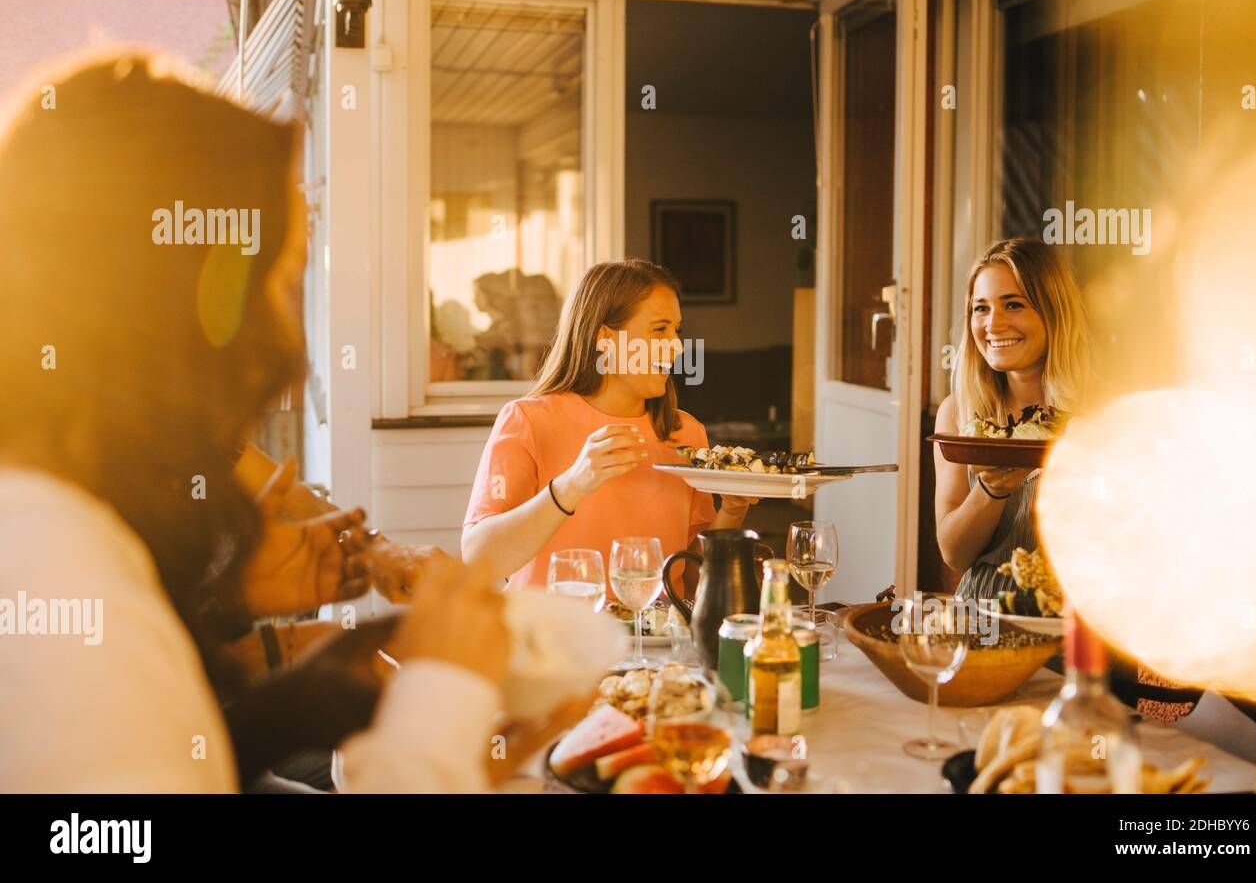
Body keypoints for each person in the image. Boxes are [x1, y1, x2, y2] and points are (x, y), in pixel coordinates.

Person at [0, 50, 520, 792]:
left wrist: (287, 688)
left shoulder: (59, 522)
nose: (290, 351)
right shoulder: (50, 572)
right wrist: (438, 715)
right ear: (178, 302)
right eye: (279, 288)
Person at [461, 259, 755, 590]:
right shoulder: (528, 421)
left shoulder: (685, 433)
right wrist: (574, 482)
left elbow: (692, 574)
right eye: (659, 330)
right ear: (605, 338)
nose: (677, 347)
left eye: (677, 330)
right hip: (550, 637)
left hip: (656, 638)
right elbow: (479, 559)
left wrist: (732, 510)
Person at [933, 238, 1090, 598]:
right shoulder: (959, 412)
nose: (993, 324)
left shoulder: (1100, 411)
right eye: (981, 308)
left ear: (1054, 312)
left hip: (1074, 623)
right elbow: (955, 553)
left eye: (1014, 305)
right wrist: (992, 489)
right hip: (983, 619)